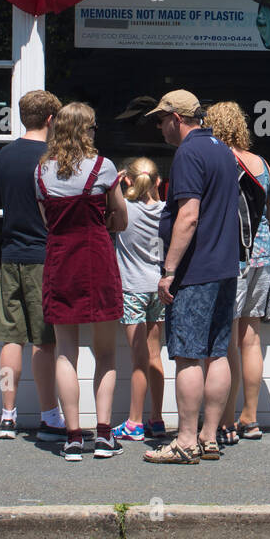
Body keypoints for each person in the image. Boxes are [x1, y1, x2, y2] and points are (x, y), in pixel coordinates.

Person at [143, 90, 241, 465]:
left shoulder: (188, 153)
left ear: (176, 118)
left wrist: (169, 271)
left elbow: (188, 216)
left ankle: (185, 440)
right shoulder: (221, 149)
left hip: (195, 271)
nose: (158, 126)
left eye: (160, 119)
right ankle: (209, 437)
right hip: (224, 267)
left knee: (186, 355)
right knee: (217, 353)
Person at [34, 102, 129, 462]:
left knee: (65, 352)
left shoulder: (42, 171)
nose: (94, 133)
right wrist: (108, 219)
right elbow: (121, 217)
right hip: (97, 262)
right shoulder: (103, 167)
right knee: (104, 352)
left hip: (61, 263)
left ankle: (73, 437)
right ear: (85, 130)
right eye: (92, 127)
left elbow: (48, 221)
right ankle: (104, 434)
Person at [206, 101, 270, 445]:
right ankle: (250, 417)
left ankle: (225, 418)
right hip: (263, 255)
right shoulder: (262, 163)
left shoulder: (219, 162)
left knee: (227, 340)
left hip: (231, 257)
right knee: (251, 338)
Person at [0, 90, 65, 441]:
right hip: (41, 255)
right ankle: (49, 413)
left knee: (10, 338)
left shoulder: (5, 155)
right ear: (51, 119)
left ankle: (8, 414)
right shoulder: (51, 158)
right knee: (43, 341)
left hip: (10, 254)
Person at [111, 157, 168, 443]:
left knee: (138, 360)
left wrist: (115, 184)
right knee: (155, 356)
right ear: (158, 181)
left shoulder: (124, 210)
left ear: (128, 180)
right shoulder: (166, 211)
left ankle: (134, 422)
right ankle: (156, 418)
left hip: (132, 288)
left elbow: (103, 209)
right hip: (158, 287)